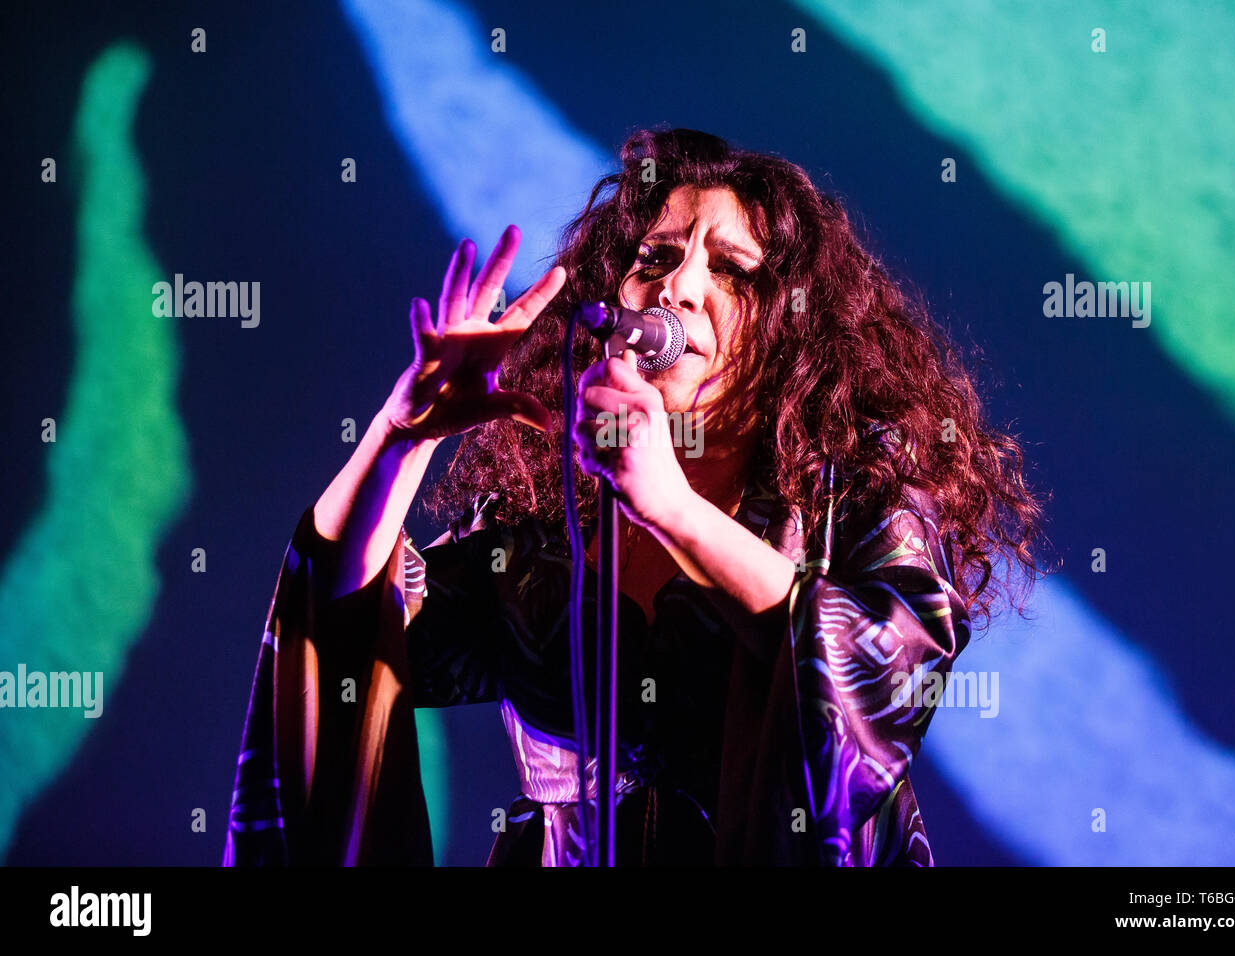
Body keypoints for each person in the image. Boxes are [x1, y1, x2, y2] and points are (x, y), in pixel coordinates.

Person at [223, 128, 1050, 867]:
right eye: (655, 258)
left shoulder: (859, 498)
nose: (678, 288)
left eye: (731, 269)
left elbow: (880, 677)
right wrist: (401, 438)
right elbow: (342, 620)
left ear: (792, 328)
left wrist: (672, 507)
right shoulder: (551, 519)